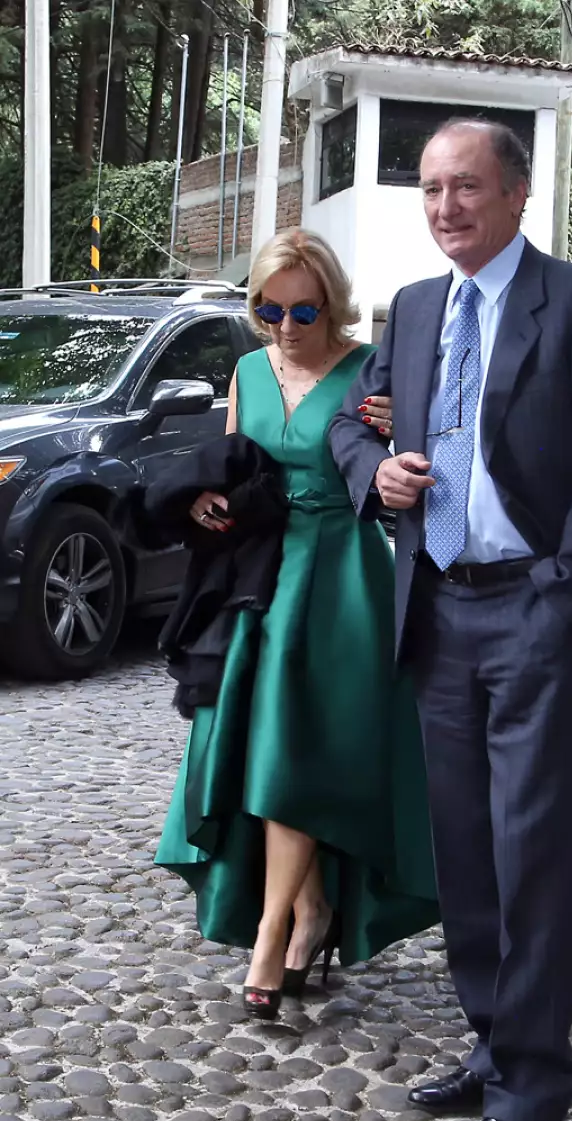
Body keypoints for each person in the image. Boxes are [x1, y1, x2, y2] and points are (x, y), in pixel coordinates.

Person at [328, 119, 572, 1121]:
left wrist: (560, 596)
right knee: (464, 847)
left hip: (531, 611)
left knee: (535, 855)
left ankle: (530, 1089)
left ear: (516, 196)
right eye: (430, 190)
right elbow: (351, 420)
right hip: (439, 608)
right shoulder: (415, 307)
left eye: (466, 188)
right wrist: (378, 470)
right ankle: (489, 1038)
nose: (445, 207)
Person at [155, 229, 439, 1021]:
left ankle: (273, 935)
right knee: (261, 748)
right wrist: (205, 500)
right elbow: (237, 468)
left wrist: (396, 431)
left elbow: (409, 466)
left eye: (303, 309)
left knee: (304, 750)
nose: (285, 325)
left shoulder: (365, 369)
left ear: (333, 303)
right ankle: (310, 913)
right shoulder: (248, 370)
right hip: (261, 576)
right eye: (269, 309)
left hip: (344, 575)